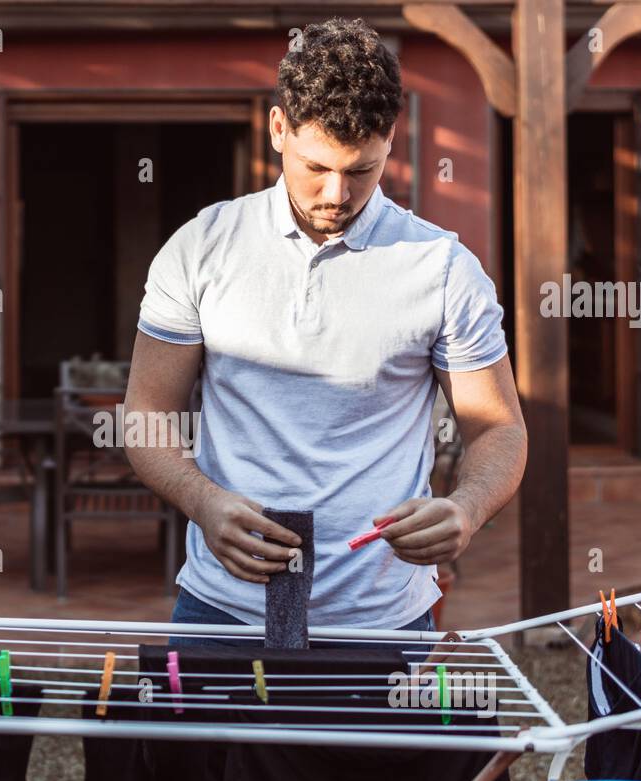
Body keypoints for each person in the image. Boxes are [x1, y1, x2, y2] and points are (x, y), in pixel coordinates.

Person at [124, 17, 527, 637]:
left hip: (382, 621)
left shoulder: (444, 268)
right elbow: (146, 413)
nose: (337, 193)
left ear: (391, 138)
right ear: (278, 127)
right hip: (221, 610)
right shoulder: (200, 247)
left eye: (361, 170)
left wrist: (465, 509)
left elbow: (499, 430)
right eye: (316, 167)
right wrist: (203, 503)